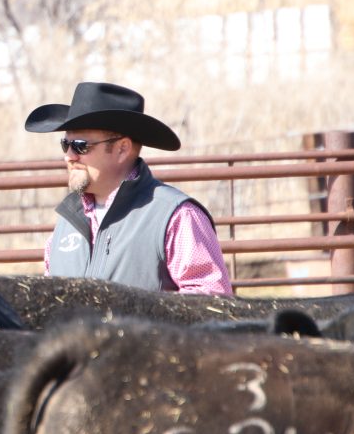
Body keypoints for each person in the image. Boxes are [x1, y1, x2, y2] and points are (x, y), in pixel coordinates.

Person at [24, 81, 233, 295]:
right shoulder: (67, 221)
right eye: (65, 145)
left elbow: (212, 299)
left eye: (80, 146)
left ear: (122, 149)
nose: (69, 156)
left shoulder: (176, 216)